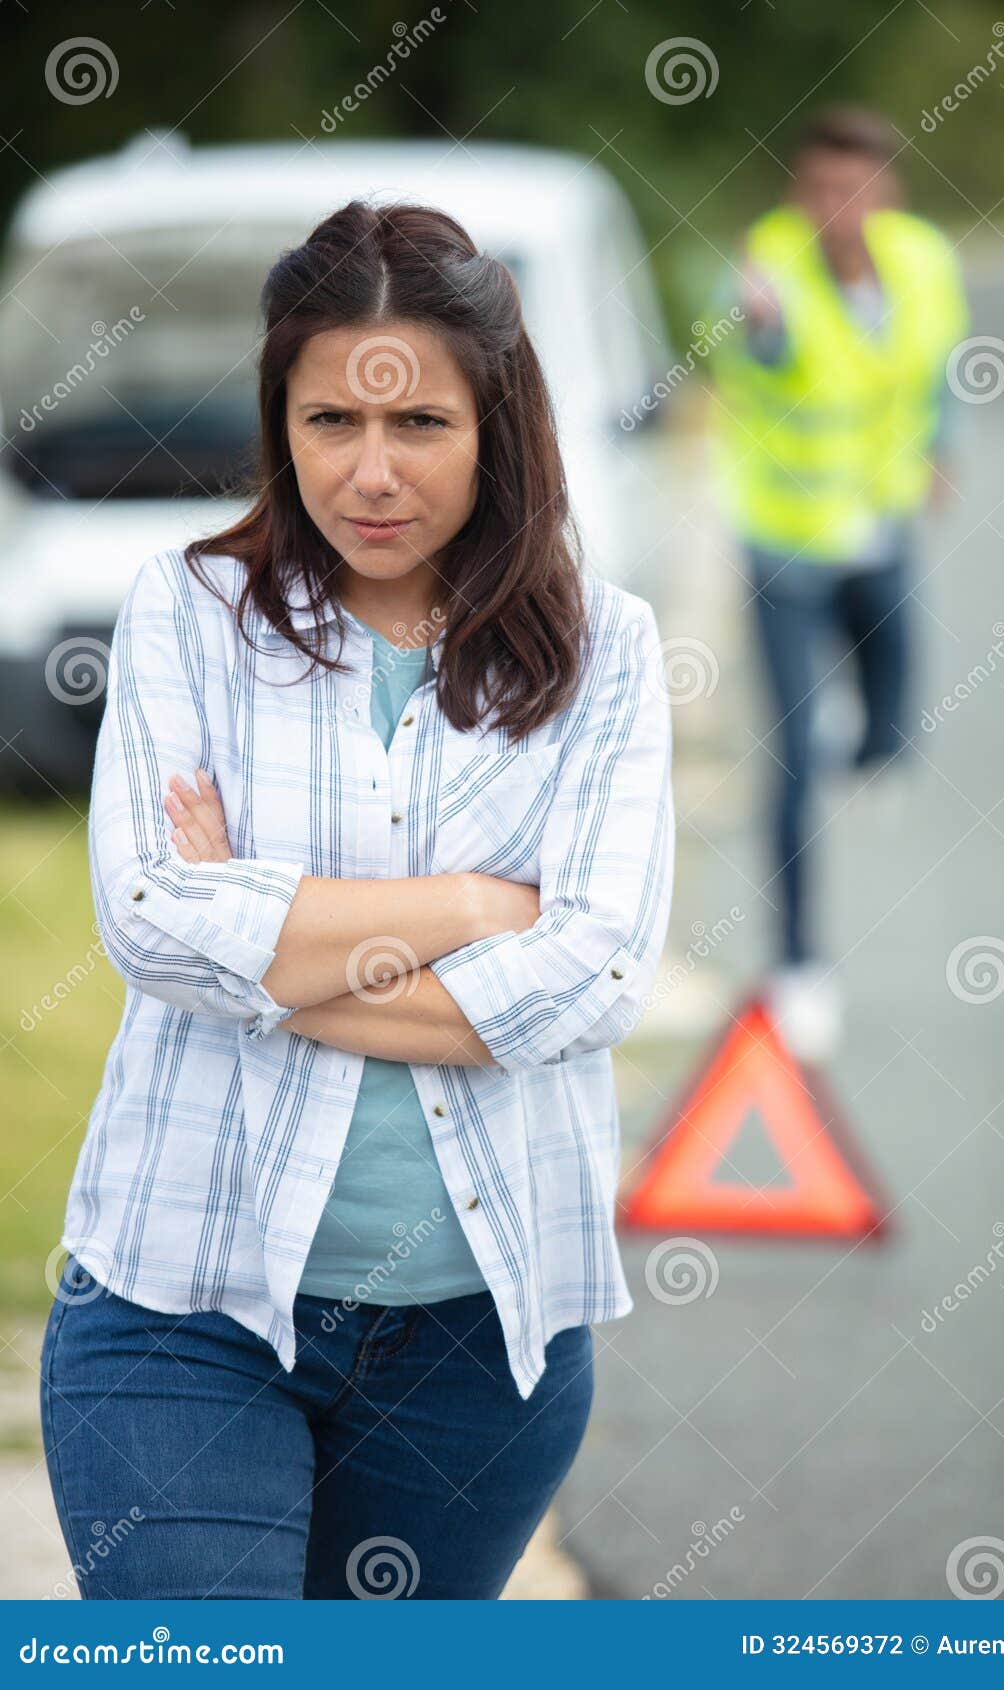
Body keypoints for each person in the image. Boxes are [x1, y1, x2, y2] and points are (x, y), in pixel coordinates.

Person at [39, 199, 675, 1600]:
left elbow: (595, 979)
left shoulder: (607, 651)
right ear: (282, 421)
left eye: (420, 427)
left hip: (480, 1344)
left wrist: (265, 942)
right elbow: (152, 917)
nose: (370, 474)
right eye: (331, 421)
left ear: (495, 424)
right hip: (179, 1305)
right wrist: (470, 903)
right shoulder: (184, 613)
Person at [710, 105, 968, 1059]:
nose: (836, 207)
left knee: (896, 716)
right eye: (818, 188)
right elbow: (751, 351)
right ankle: (798, 963)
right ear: (796, 191)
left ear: (885, 191)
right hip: (786, 545)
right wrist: (760, 327)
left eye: (853, 188)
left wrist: (945, 447)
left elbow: (936, 367)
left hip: (883, 529)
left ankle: (870, 744)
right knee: (789, 758)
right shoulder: (765, 270)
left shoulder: (924, 261)